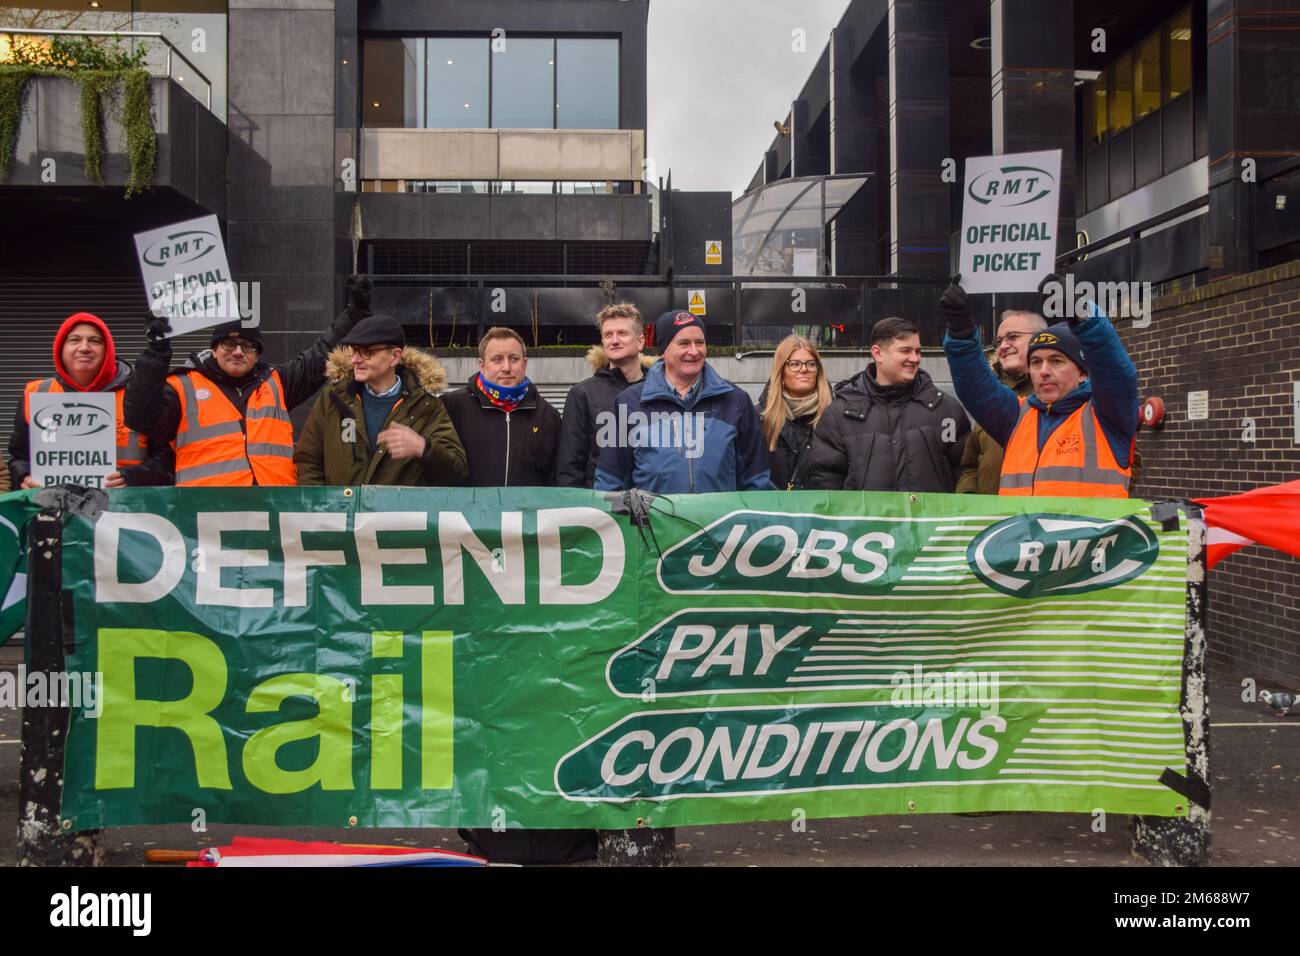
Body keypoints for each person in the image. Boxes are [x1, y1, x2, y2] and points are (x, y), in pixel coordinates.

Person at [125, 274, 372, 486]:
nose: (238, 351)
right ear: (213, 349)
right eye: (229, 344)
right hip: (207, 520)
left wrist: (354, 315)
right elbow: (140, 417)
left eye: (248, 346)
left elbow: (320, 354)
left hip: (273, 512)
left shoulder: (277, 382)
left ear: (258, 353)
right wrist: (156, 353)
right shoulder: (183, 386)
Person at [941, 273, 1139, 498]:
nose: (1044, 371)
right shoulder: (1016, 416)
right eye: (1036, 362)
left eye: (1056, 361)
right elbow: (975, 387)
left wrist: (1083, 314)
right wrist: (960, 332)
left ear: (1083, 373)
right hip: (1020, 534)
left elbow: (1116, 371)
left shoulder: (1107, 416)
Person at [593, 310, 773, 493]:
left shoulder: (736, 401)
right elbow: (610, 482)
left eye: (700, 343)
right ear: (664, 350)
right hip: (654, 522)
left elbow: (756, 480)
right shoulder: (629, 403)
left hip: (718, 521)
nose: (694, 351)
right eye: (684, 343)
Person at [293, 314, 467, 486]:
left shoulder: (427, 407)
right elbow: (308, 460)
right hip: (339, 513)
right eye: (354, 351)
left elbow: (457, 472)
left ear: (395, 357)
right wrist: (323, 507)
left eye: (367, 353)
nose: (355, 359)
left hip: (397, 514)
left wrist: (423, 448)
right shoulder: (333, 399)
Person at [8, 312, 173, 489]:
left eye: (95, 341)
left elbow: (168, 458)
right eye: (74, 340)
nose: (84, 347)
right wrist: (23, 477)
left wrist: (135, 478)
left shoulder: (137, 394)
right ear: (60, 349)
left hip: (128, 509)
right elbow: (18, 457)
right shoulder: (37, 393)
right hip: (55, 509)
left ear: (108, 349)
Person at [804, 317, 969, 492]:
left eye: (918, 351)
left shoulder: (946, 409)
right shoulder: (839, 414)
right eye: (905, 351)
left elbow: (964, 470)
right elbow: (825, 478)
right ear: (877, 353)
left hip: (931, 519)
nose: (914, 358)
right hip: (863, 519)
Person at [441, 327, 561, 487]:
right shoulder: (451, 407)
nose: (506, 367)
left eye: (513, 359)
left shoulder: (548, 416)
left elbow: (554, 478)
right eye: (497, 359)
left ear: (525, 363)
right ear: (482, 365)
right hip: (467, 511)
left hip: (525, 511)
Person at [554, 303, 654, 488]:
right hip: (602, 508)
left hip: (655, 508)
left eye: (622, 333)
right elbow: (570, 468)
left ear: (640, 342)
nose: (614, 340)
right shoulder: (582, 394)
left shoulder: (659, 392)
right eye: (608, 335)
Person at [955, 310, 1046, 494]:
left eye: (1013, 337)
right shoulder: (989, 398)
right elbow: (970, 465)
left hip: (1036, 518)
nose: (1003, 346)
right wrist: (969, 500)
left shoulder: (1056, 394)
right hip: (988, 518)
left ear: (1041, 339)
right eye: (999, 341)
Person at [757, 335, 833, 490]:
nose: (804, 369)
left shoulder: (835, 417)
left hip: (821, 511)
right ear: (781, 370)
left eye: (811, 364)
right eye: (795, 364)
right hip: (774, 510)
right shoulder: (758, 418)